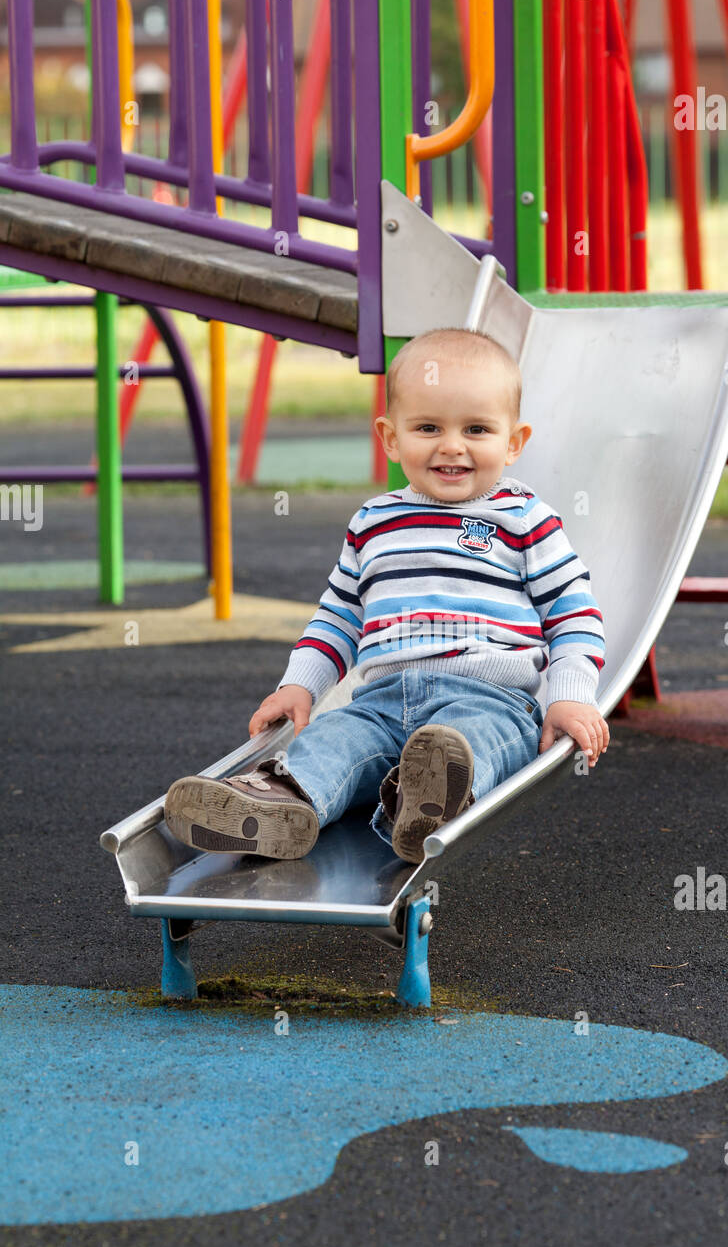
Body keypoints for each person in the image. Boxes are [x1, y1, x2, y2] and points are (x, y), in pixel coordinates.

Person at [164, 327, 609, 865]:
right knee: (331, 743)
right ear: (390, 437)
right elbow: (338, 617)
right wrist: (298, 686)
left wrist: (569, 693)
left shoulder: (525, 520)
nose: (451, 445)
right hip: (379, 702)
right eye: (427, 427)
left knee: (471, 744)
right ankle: (277, 804)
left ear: (513, 441)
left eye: (476, 429)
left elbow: (574, 614)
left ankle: (427, 802)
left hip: (488, 699)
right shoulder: (373, 522)